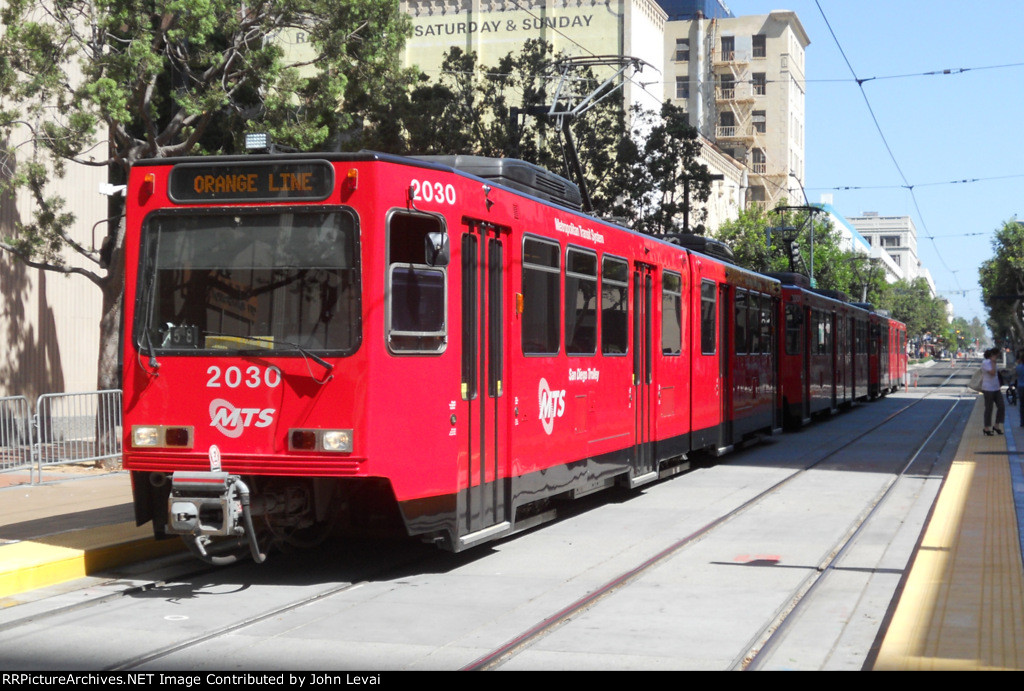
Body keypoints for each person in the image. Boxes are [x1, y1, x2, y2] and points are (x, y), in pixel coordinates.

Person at [981, 347, 1005, 435]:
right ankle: (986, 428)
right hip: (988, 389)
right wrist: (993, 362)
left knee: (1001, 406)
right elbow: (992, 373)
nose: (997, 356)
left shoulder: (994, 362)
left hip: (996, 388)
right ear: (992, 355)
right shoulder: (985, 363)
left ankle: (996, 425)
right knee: (989, 408)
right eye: (996, 355)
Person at [1015, 350, 1024, 426]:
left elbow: (1016, 375)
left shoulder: (1018, 367)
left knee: (1021, 405)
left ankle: (1022, 422)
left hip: (1020, 387)